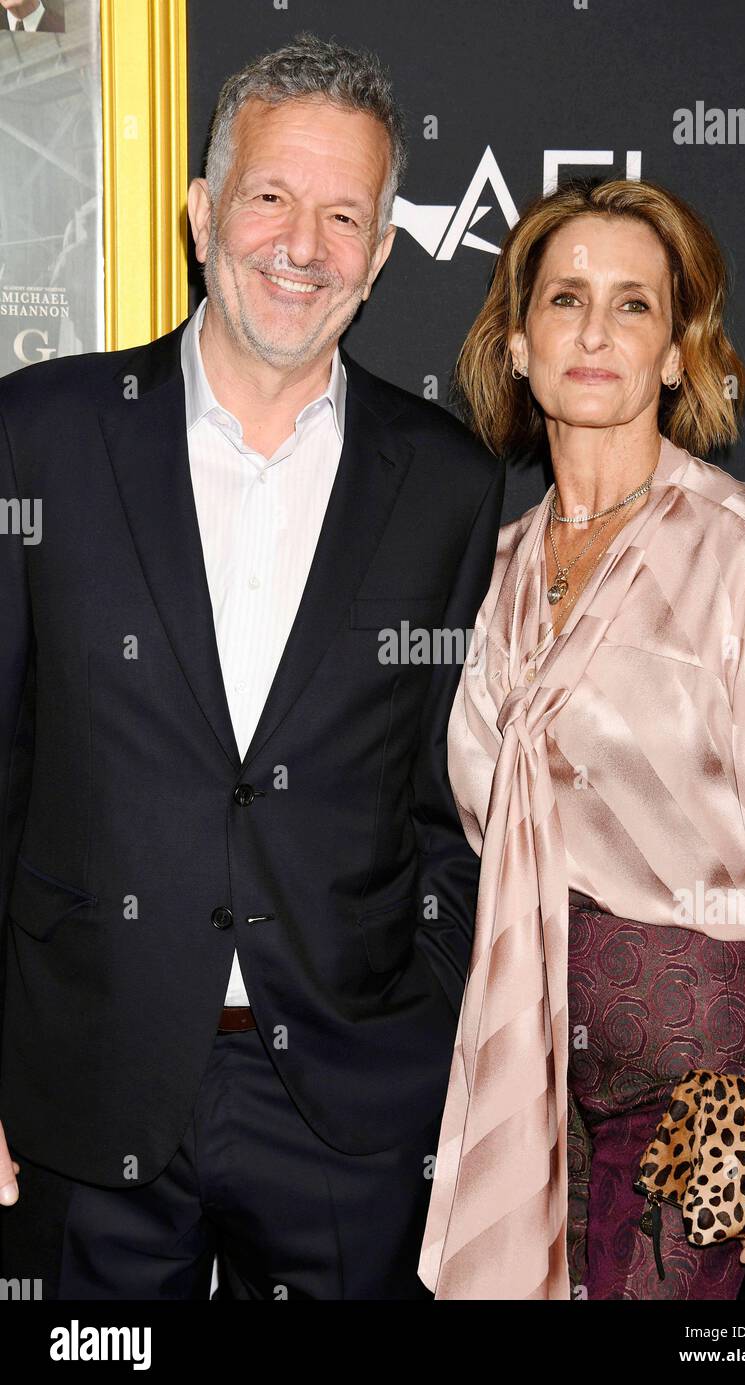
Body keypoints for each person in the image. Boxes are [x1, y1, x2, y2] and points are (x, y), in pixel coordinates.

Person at [0, 33, 503, 1299]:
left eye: (346, 215)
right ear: (201, 210)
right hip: (83, 1088)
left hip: (347, 1111)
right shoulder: (40, 436)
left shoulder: (444, 479)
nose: (303, 245)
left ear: (383, 255)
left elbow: (449, 808)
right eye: (272, 196)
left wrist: (418, 1036)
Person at [418, 176, 745, 1300]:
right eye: (567, 299)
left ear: (677, 352)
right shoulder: (502, 568)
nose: (596, 330)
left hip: (722, 1088)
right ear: (518, 343)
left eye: (634, 305)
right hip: (540, 1083)